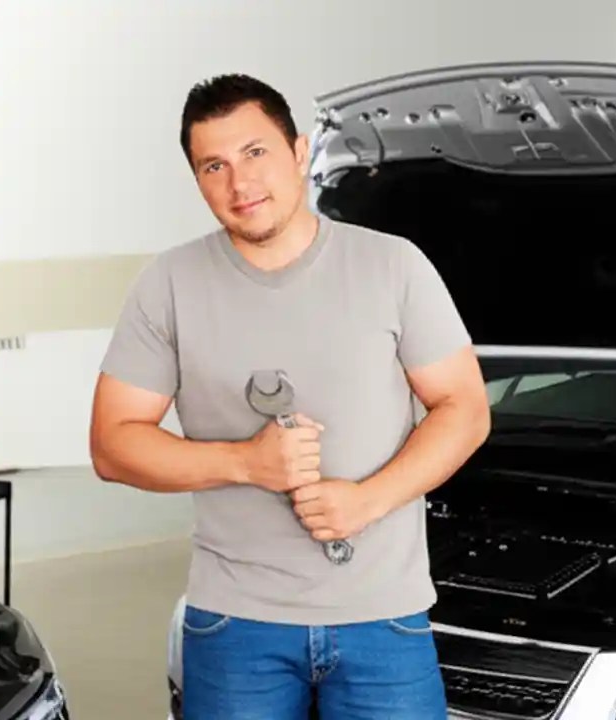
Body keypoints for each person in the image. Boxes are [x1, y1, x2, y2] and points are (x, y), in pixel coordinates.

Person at [88, 73, 491, 719]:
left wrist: (367, 500)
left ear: (299, 152)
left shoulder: (393, 266)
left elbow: (464, 409)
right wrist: (246, 463)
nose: (239, 183)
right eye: (213, 166)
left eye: (255, 152)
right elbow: (113, 444)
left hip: (383, 617)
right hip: (235, 623)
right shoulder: (169, 284)